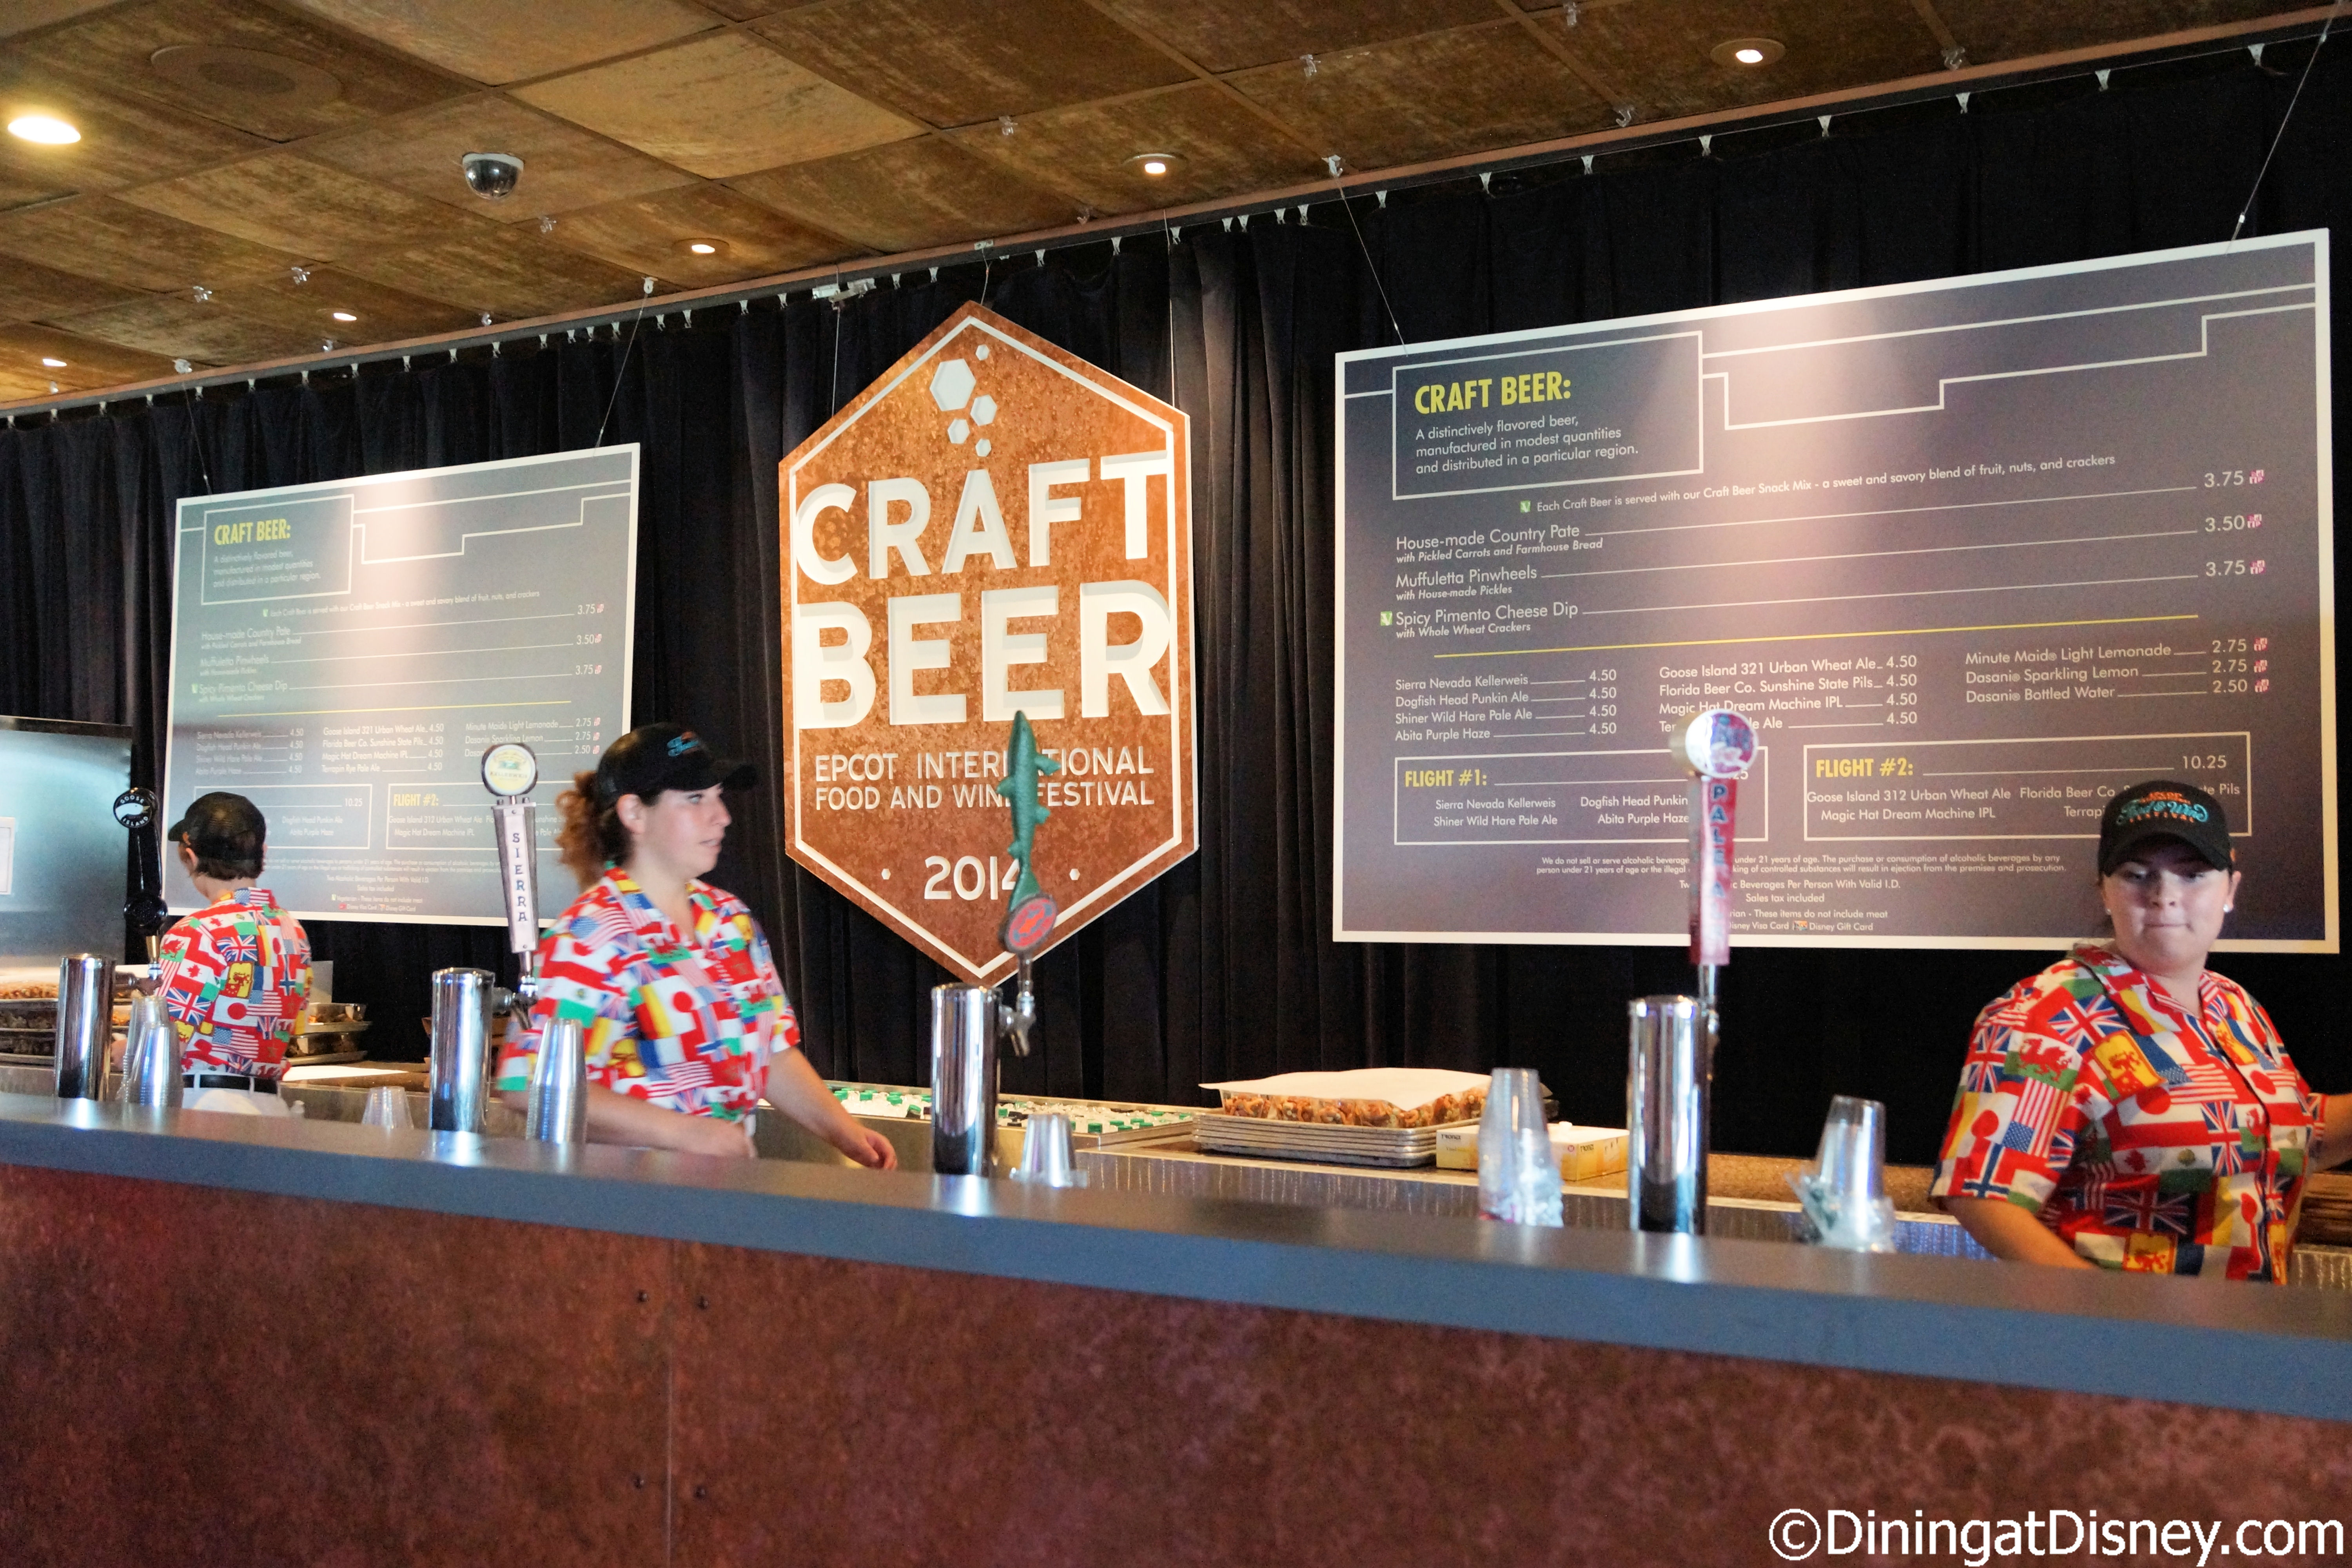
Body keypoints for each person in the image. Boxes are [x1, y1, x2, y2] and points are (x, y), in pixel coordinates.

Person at [1933, 780, 2349, 1279]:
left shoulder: (2236, 1006)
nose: (2164, 896)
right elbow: (1981, 1193)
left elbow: (2298, 1134)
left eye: (2193, 875)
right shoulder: (2048, 1014)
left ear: (2231, 890)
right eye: (2137, 874)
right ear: (2103, 890)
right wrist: (2112, 1325)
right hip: (2122, 1347)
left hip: (2247, 1344)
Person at [493, 723, 895, 1167]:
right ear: (634, 814)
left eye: (718, 796)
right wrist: (682, 1132)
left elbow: (773, 1054)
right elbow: (529, 1085)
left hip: (720, 1199)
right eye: (695, 798)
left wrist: (848, 1135)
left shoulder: (729, 919)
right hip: (625, 1212)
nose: (722, 815)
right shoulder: (592, 935)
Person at [154, 791, 311, 1108]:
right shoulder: (293, 930)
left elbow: (166, 1044)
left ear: (191, 857)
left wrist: (123, 1050)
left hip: (204, 1105)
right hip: (269, 1107)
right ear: (262, 854)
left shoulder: (196, 932)